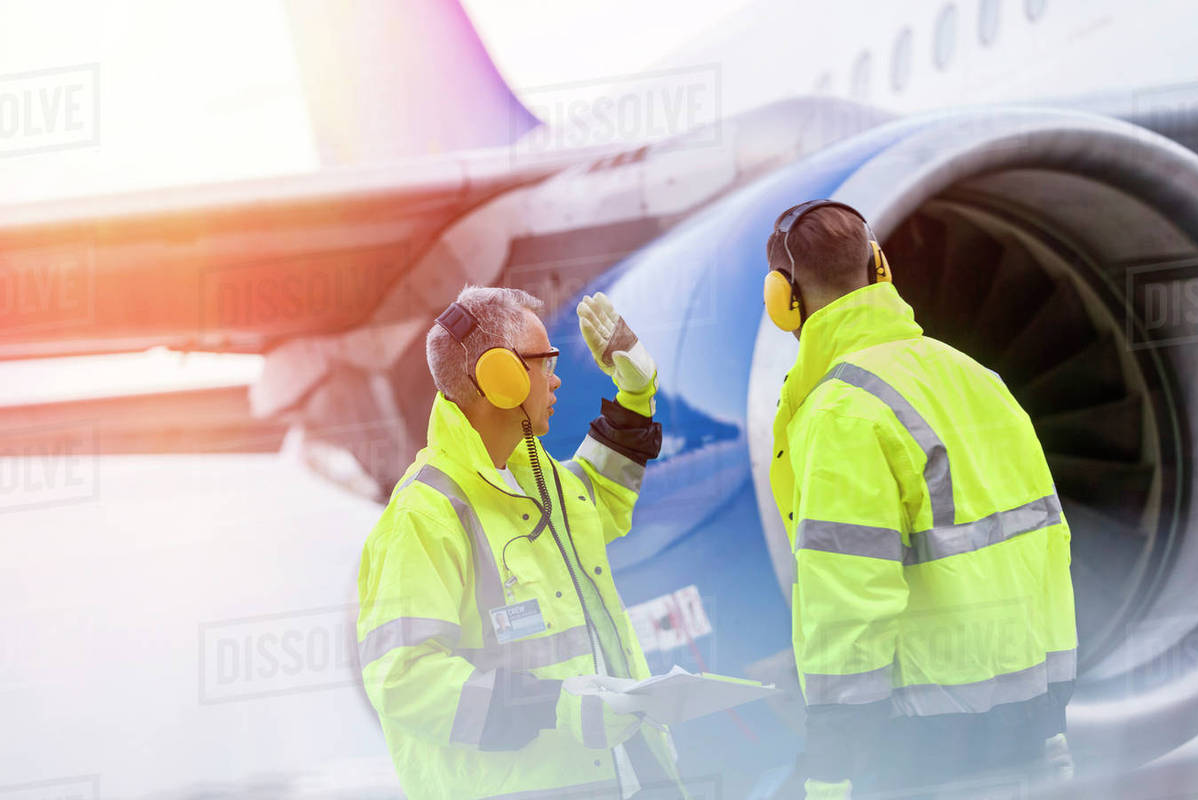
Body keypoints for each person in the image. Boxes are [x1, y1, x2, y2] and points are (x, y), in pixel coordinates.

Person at [762, 201, 1078, 798]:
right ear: (879, 266)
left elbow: (850, 596)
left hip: (920, 740)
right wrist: (1052, 713)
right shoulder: (979, 378)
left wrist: (832, 760)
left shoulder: (841, 412)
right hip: (1031, 710)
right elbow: (1047, 543)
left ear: (783, 298)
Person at [356, 285, 687, 800]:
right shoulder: (424, 515)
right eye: (544, 362)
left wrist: (635, 395)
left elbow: (600, 495)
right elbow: (403, 679)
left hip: (619, 779)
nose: (556, 378)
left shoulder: (535, 479)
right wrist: (556, 707)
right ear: (501, 377)